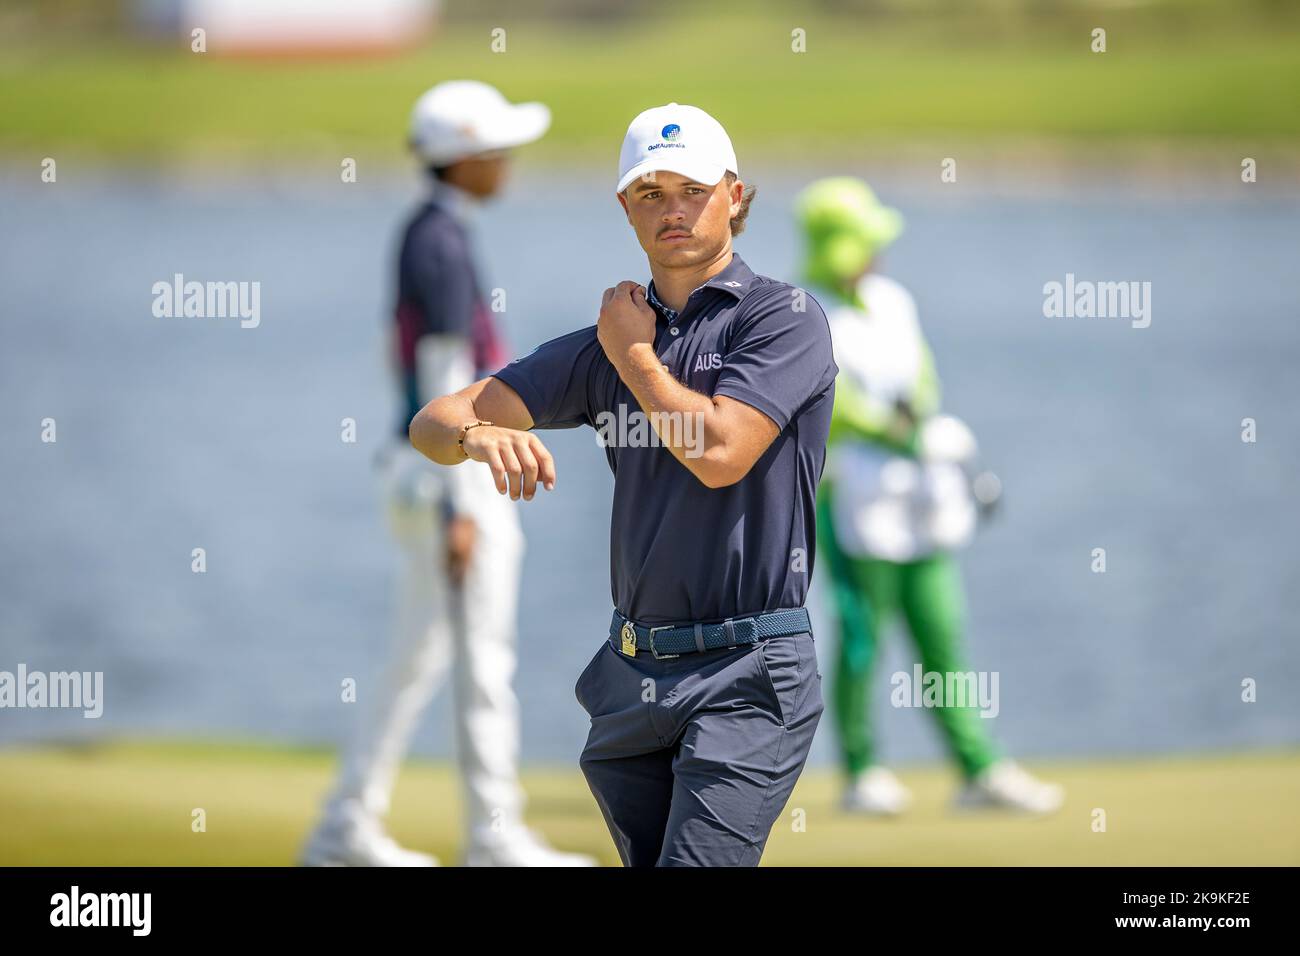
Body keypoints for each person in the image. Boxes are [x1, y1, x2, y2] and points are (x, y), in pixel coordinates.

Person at [409, 103, 838, 866]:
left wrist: (636, 359)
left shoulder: (784, 318)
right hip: (631, 679)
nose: (672, 210)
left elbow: (719, 451)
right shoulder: (607, 341)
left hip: (749, 673)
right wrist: (479, 436)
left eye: (692, 190)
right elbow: (434, 422)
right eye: (650, 193)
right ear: (625, 208)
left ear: (735, 195)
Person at [302, 80, 594, 866]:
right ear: (461, 160)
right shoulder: (440, 242)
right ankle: (493, 839)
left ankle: (344, 826)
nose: (507, 162)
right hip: (449, 479)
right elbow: (442, 381)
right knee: (482, 661)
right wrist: (459, 504)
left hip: (418, 475)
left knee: (416, 658)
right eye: (494, 148)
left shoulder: (432, 231)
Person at [796, 176, 1064, 816]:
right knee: (862, 637)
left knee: (942, 633)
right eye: (867, 242)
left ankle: (979, 767)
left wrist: (922, 424)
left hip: (919, 497)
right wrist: (899, 435)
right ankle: (862, 772)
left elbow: (920, 374)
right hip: (852, 497)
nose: (878, 255)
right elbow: (831, 404)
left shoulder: (893, 300)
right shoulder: (803, 315)